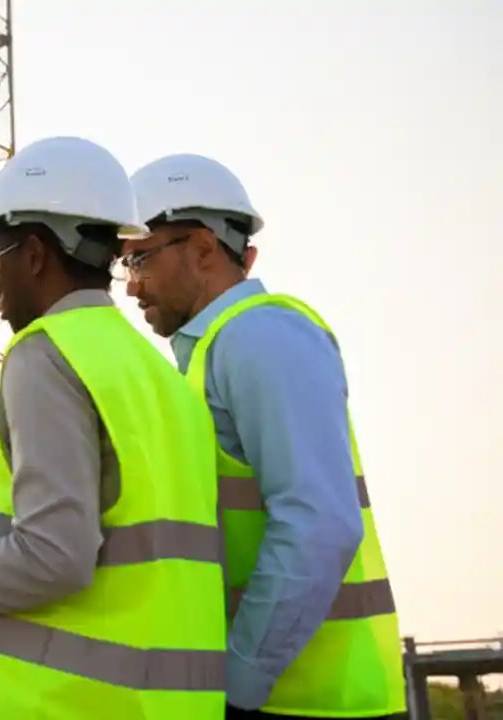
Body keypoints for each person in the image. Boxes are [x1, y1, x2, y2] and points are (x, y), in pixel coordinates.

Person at [0, 136, 229, 719]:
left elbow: (57, 556)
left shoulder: (45, 354)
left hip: (71, 704)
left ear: (33, 254)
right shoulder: (153, 370)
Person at [121, 153, 406, 720]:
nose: (131, 286)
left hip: (312, 701)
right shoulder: (210, 355)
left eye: (142, 259)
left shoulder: (261, 337)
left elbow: (319, 523)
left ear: (203, 248)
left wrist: (238, 686)